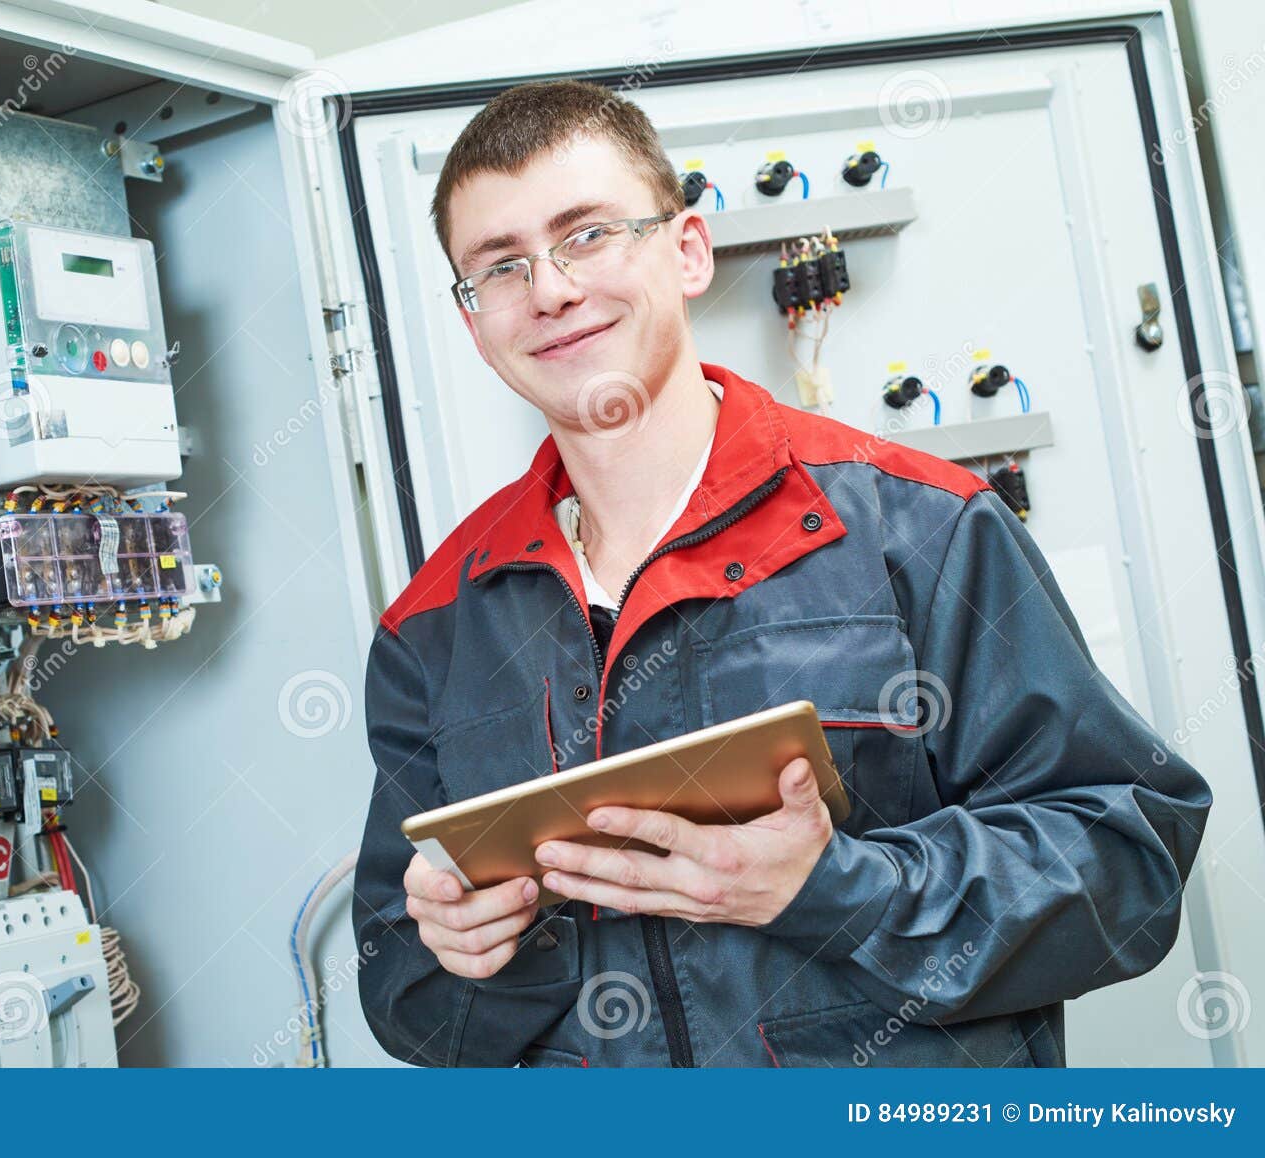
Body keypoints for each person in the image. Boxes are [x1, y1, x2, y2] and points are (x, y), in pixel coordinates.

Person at [352, 79, 1211, 1067]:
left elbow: (1129, 862)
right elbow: (401, 997)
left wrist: (833, 890)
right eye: (500, 266)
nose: (548, 289)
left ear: (687, 251)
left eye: (587, 235)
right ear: (474, 322)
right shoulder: (433, 626)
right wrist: (468, 953)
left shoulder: (918, 527)